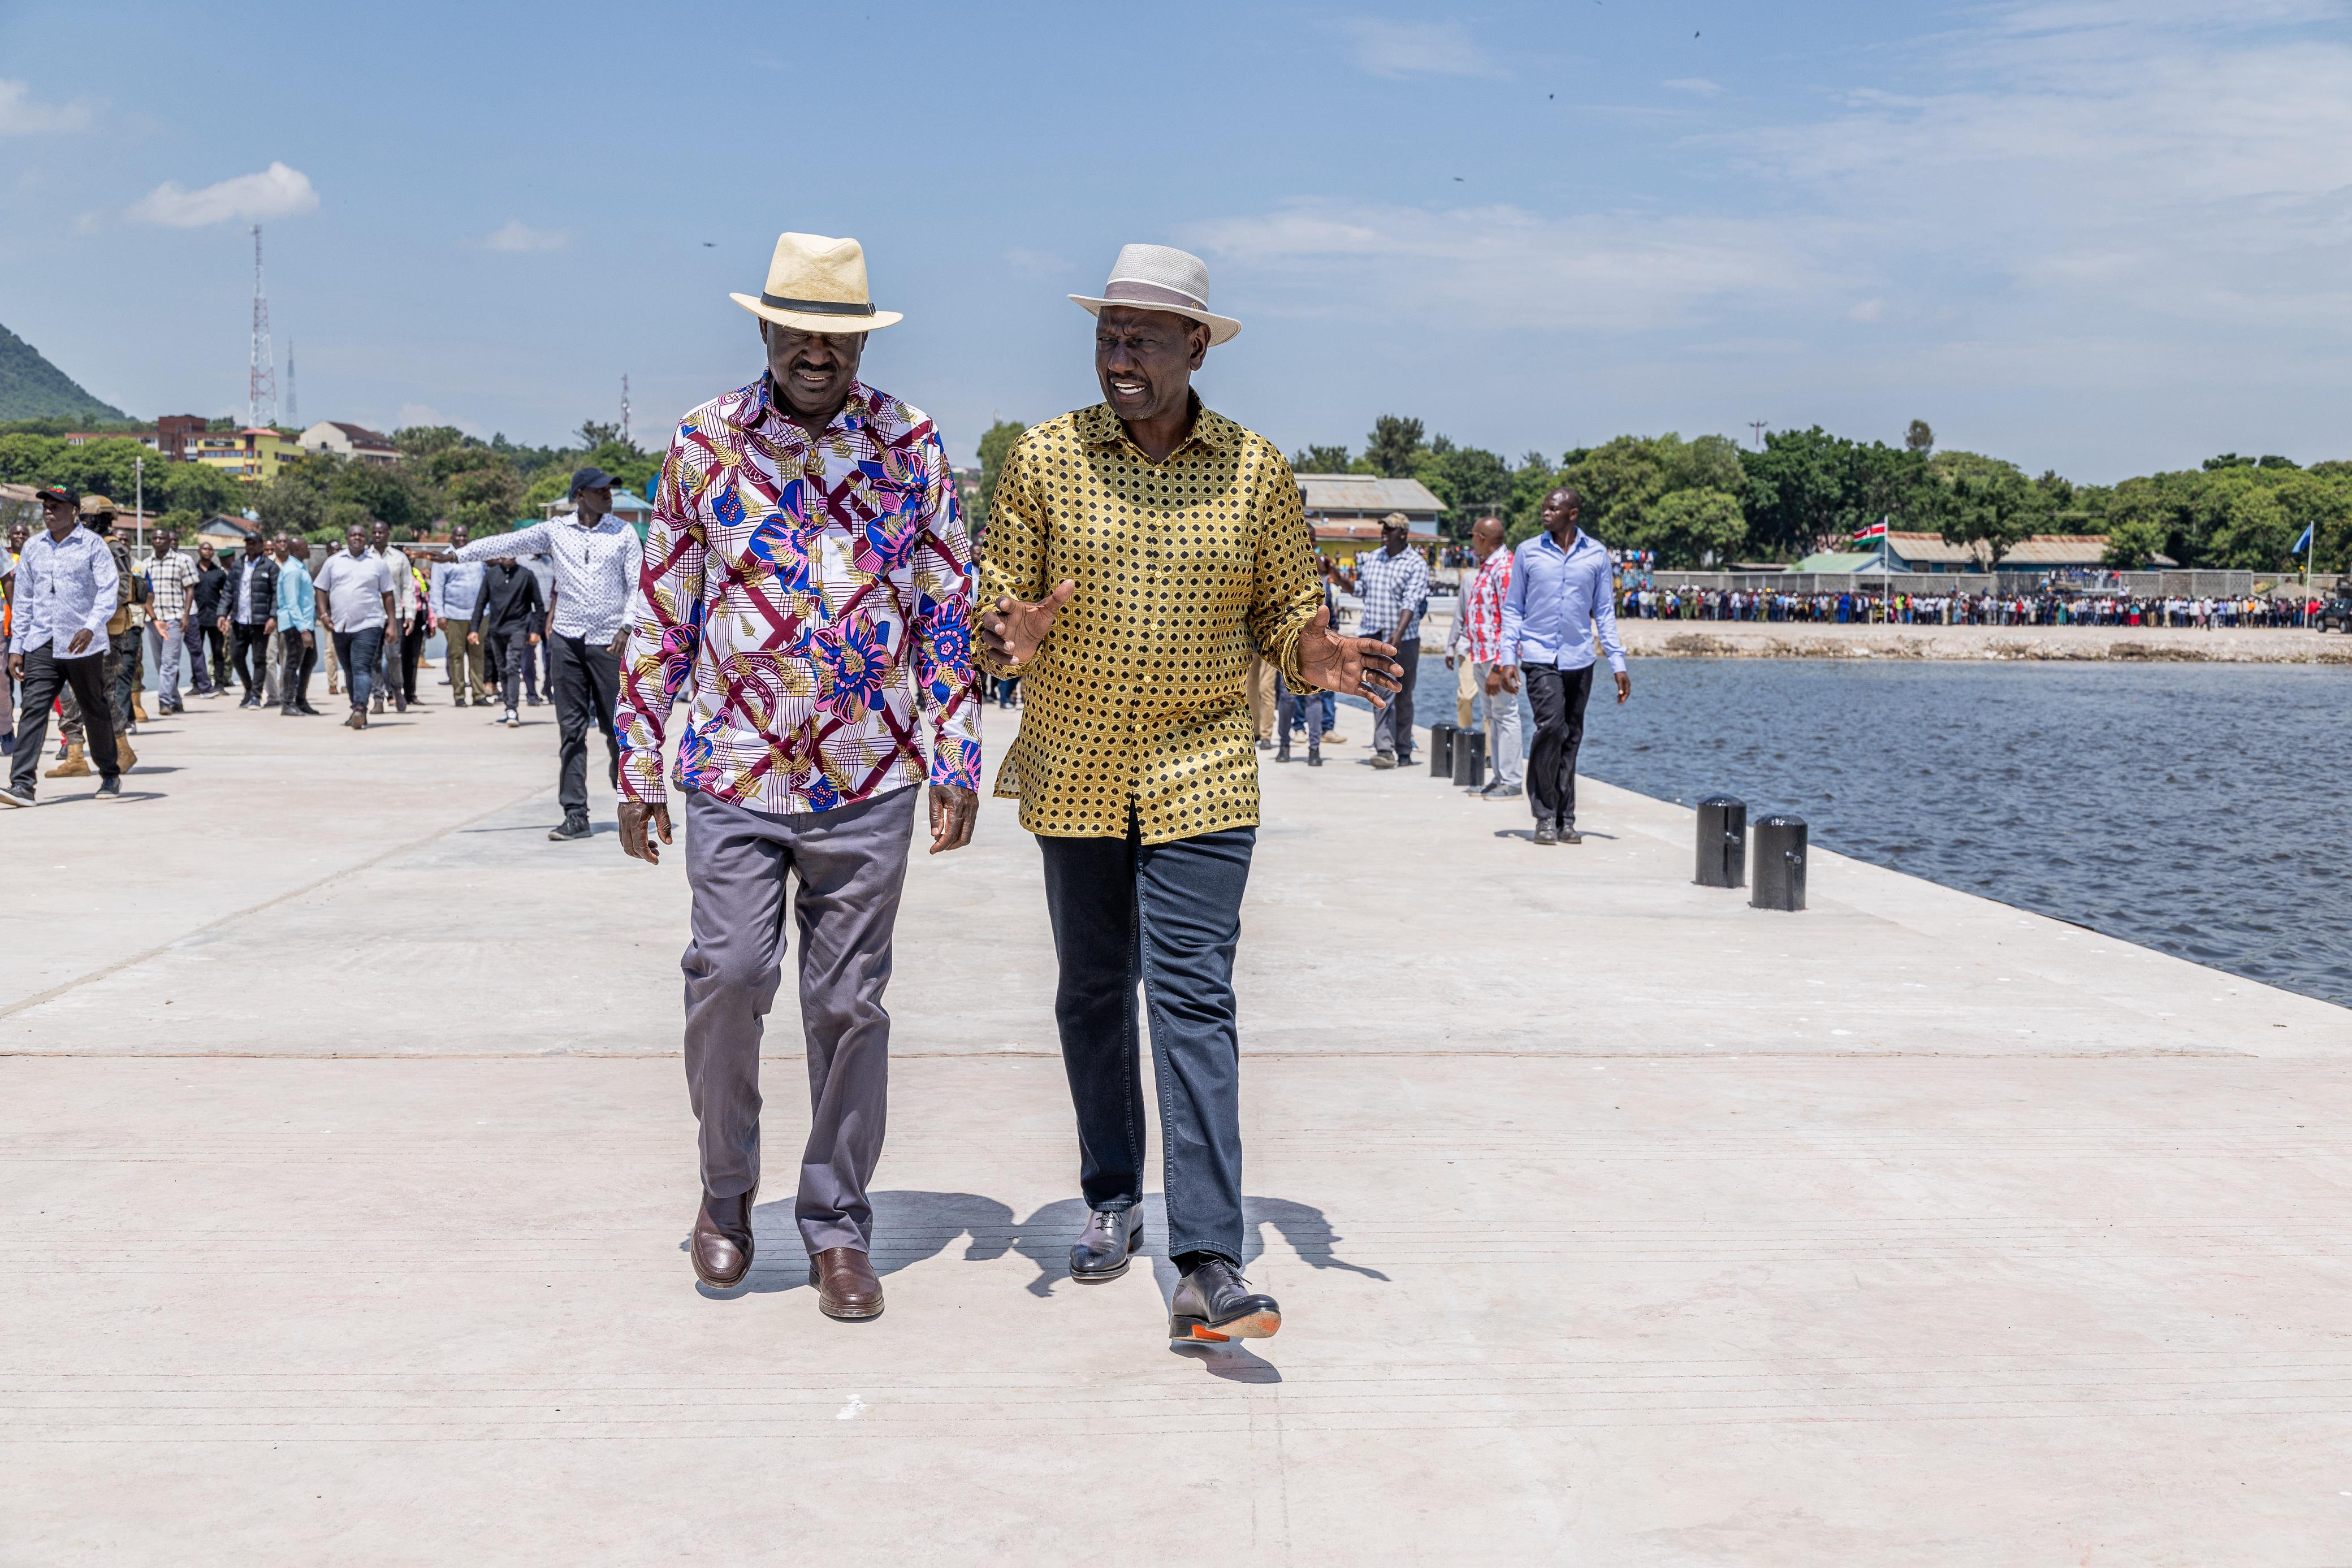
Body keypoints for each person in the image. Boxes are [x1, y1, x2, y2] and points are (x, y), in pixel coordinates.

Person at [978, 243, 1400, 1342]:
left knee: (1195, 998)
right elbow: (997, 607)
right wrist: (1009, 637)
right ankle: (1112, 1192)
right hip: (1074, 768)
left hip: (1203, 770)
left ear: (1197, 347)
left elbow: (1285, 622)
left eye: (1142, 339)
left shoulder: (1255, 472)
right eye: (1106, 336)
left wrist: (1319, 662)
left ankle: (1208, 1256)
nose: (1118, 358)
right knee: (1089, 991)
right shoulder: (1043, 460)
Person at [615, 231, 982, 1322]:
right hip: (733, 763)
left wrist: (955, 750)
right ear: (765, 328)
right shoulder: (706, 441)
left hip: (870, 769)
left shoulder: (910, 442)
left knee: (848, 1002)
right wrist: (636, 761)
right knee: (727, 975)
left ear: (859, 338)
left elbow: (945, 605)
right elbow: (662, 605)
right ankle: (727, 1194)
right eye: (799, 330)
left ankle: (835, 1223)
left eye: (838, 335)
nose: (817, 352)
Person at [440, 469, 643, 842]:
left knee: (619, 730)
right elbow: (509, 542)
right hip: (566, 640)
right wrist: (460, 555)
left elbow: (637, 584)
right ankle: (575, 814)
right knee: (571, 731)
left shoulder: (624, 533)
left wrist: (627, 627)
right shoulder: (555, 531)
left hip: (609, 641)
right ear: (581, 495)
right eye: (601, 490)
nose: (609, 495)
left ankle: (630, 801)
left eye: (609, 490)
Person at [1498, 486, 1630, 846]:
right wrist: (1508, 657)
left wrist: (1617, 663)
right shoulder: (1527, 552)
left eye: (1553, 508)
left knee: (1571, 737)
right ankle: (1543, 814)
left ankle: (1565, 817)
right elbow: (1513, 609)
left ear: (1572, 514)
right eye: (1544, 507)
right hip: (1539, 656)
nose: (1546, 513)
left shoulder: (1597, 555)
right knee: (1551, 727)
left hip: (1580, 658)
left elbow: (1604, 611)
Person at [5, 486, 122, 806]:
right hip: (41, 641)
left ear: (73, 511)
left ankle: (110, 773)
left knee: (94, 708)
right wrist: (18, 647)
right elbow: (24, 600)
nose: (48, 512)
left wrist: (91, 626)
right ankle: (22, 785)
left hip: (82, 644)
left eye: (56, 506)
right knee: (32, 710)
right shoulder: (33, 548)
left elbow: (108, 592)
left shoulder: (93, 546)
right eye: (45, 506)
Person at [1323, 512, 1428, 769]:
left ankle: (1403, 749)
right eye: (1384, 528)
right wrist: (1336, 573)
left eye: (1390, 529)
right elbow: (1360, 590)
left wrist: (1399, 634)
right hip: (1374, 637)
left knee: (1404, 694)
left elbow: (1412, 601)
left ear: (1403, 533)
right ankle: (1384, 748)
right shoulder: (1372, 558)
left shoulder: (1416, 563)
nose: (1384, 532)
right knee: (1381, 689)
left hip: (1405, 637)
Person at [54, 497, 138, 776]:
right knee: (70, 694)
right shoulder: (82, 546)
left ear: (101, 520)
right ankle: (76, 755)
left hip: (106, 634)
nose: (82, 524)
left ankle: (123, 750)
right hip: (76, 633)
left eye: (87, 519)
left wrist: (89, 614)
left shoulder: (113, 548)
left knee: (101, 694)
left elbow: (122, 592)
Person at [1450, 514, 1524, 801]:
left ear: (1481, 538)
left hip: (1496, 659)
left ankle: (1513, 780)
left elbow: (1511, 619)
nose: (1471, 543)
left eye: (1473, 537)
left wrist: (1500, 666)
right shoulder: (1488, 567)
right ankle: (1500, 777)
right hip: (1480, 654)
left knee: (1506, 715)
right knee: (1492, 716)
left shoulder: (1505, 568)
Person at [313, 524, 396, 729]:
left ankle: (360, 708)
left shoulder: (377, 564)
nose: (357, 538)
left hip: (369, 624)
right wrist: (324, 615)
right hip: (340, 625)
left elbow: (388, 595)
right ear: (347, 538)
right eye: (353, 535)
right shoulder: (333, 562)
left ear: (365, 538)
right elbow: (321, 589)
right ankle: (356, 708)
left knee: (361, 667)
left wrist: (392, 624)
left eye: (360, 535)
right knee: (349, 670)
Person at [469, 554, 543, 727]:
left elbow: (538, 605)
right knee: (502, 669)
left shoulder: (527, 575)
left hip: (518, 628)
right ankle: (508, 708)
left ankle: (512, 709)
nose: (508, 557)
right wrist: (474, 629)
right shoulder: (491, 575)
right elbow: (480, 602)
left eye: (512, 553)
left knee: (512, 666)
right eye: (505, 554)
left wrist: (535, 631)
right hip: (496, 629)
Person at [430, 526, 488, 706]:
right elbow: (437, 589)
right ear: (452, 537)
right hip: (454, 615)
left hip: (479, 615)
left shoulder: (476, 555)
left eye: (465, 535)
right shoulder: (443, 559)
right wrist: (440, 614)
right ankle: (459, 695)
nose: (462, 538)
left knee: (477, 655)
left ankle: (479, 694)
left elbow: (486, 583)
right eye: (458, 535)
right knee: (456, 655)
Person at [145, 526, 197, 717]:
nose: (158, 541)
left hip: (174, 618)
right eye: (155, 538)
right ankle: (175, 698)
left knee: (169, 662)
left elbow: (190, 589)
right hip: (154, 620)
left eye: (162, 538)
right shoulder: (146, 564)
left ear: (169, 541)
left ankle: (164, 701)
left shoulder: (181, 561)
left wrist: (186, 616)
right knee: (160, 663)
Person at [223, 532, 279, 709]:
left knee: (259, 659)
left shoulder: (270, 567)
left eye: (254, 543)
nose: (250, 546)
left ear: (261, 545)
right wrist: (222, 614)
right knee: (236, 655)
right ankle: (248, 688)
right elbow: (228, 592)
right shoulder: (238, 566)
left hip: (260, 622)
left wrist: (273, 617)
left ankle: (256, 695)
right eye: (248, 543)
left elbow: (277, 595)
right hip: (240, 621)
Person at [369, 521, 418, 715]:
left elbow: (408, 587)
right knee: (374, 659)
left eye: (381, 532)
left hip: (394, 615)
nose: (378, 535)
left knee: (393, 657)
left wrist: (410, 615)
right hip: (371, 616)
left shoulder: (399, 558)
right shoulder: (365, 558)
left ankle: (398, 690)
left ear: (388, 534)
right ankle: (378, 698)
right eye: (374, 532)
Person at [273, 533, 321, 716]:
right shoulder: (292, 570)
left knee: (310, 660)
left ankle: (301, 700)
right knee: (293, 662)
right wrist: (303, 630)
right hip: (295, 624)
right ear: (297, 550)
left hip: (306, 623)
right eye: (306, 547)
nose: (309, 550)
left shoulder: (299, 567)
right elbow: (291, 603)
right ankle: (288, 702)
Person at [189, 540, 229, 696]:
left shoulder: (219, 573)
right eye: (204, 549)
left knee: (218, 652)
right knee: (196, 652)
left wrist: (226, 616)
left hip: (215, 618)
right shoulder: (193, 572)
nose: (207, 551)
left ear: (213, 553)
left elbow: (227, 595)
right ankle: (197, 684)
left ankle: (219, 684)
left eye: (210, 549)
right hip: (196, 618)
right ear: (199, 551)